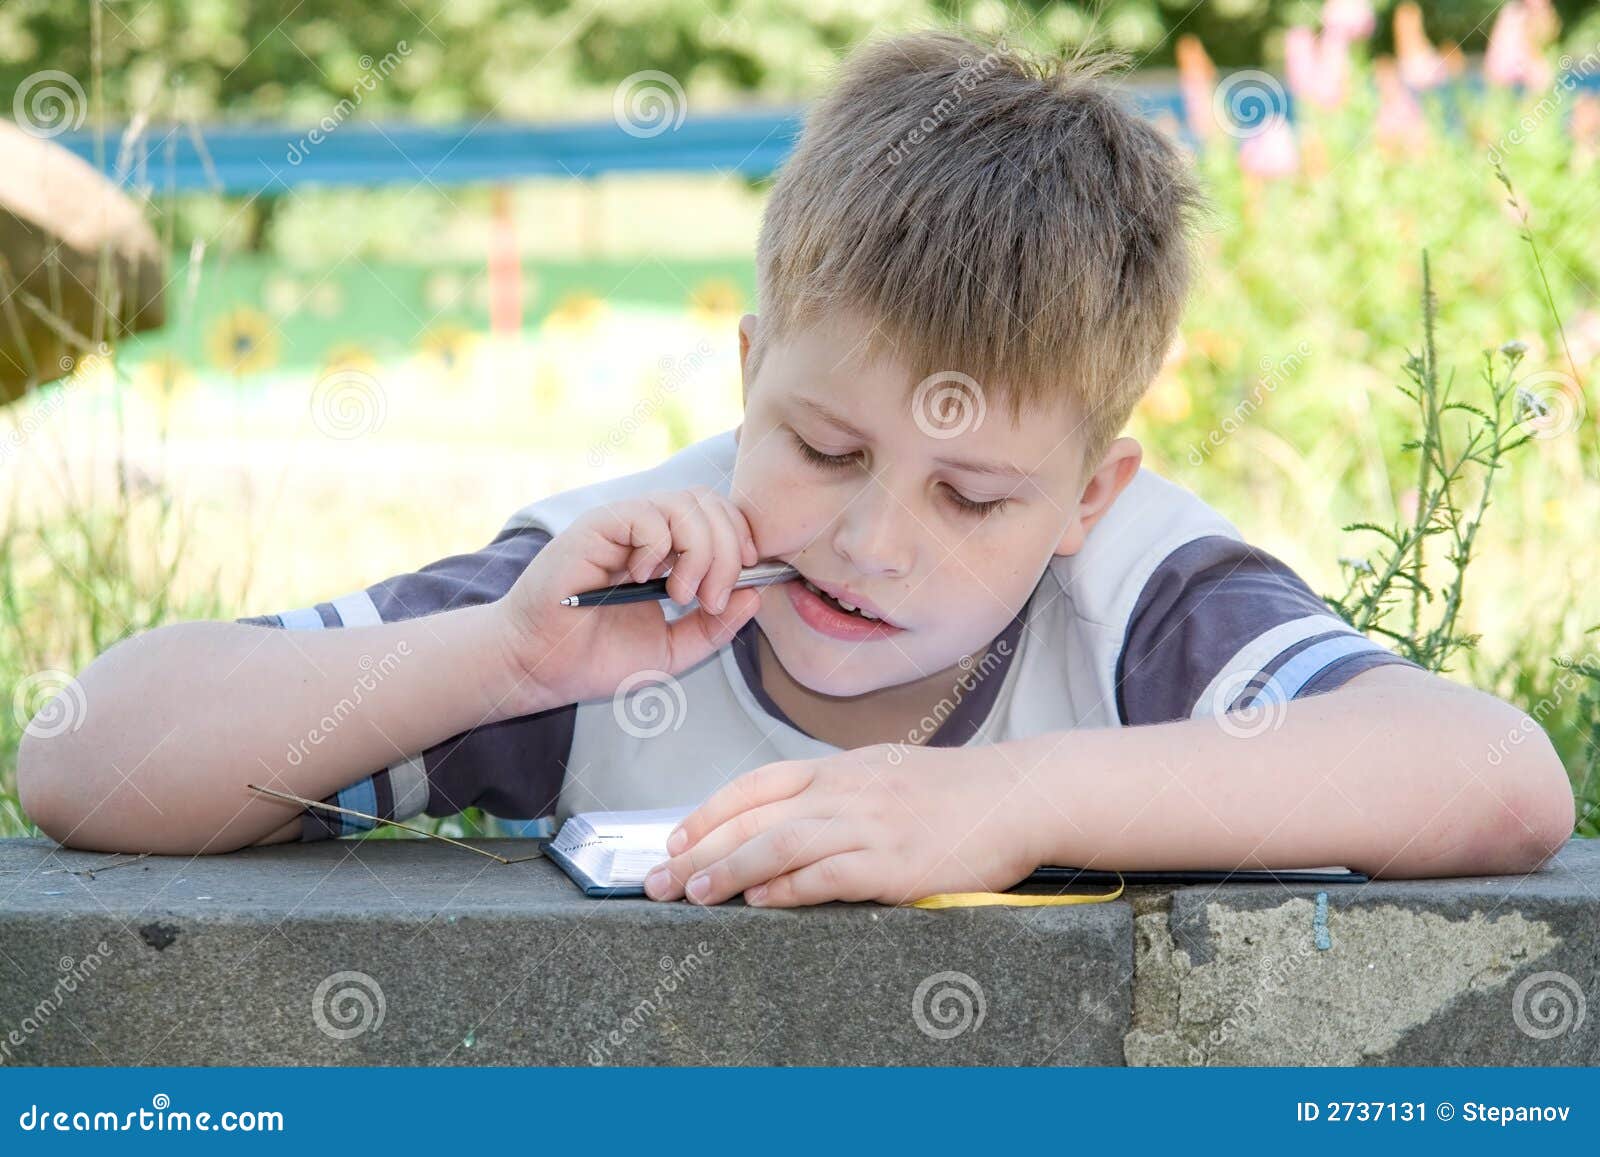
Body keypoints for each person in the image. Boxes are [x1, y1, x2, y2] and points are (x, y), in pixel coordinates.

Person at [18, 30, 1574, 906]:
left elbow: (1501, 782)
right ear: (750, 378)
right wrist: (494, 657)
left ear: (1085, 498)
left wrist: (1002, 798)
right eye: (826, 447)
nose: (871, 539)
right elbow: (86, 760)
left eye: (972, 497)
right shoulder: (618, 601)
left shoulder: (1136, 588)